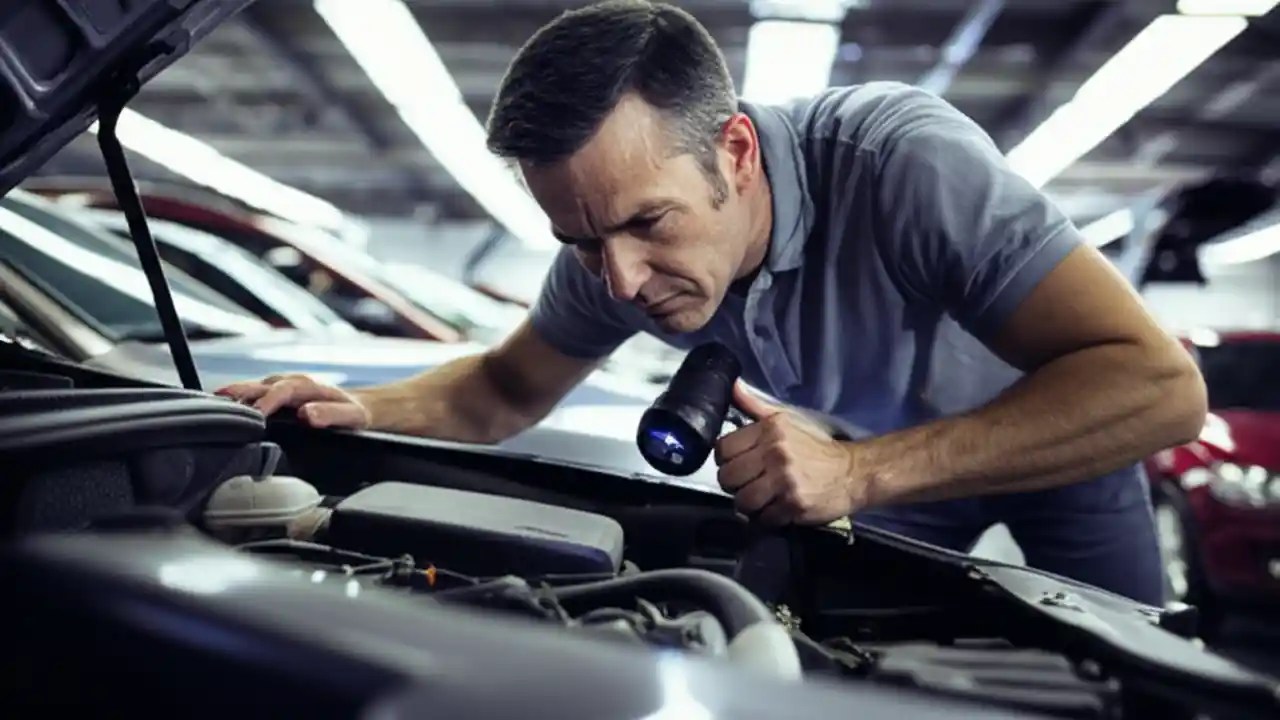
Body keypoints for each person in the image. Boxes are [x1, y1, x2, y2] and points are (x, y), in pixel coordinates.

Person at [216, 0, 1206, 605]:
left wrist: (857, 473)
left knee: (1130, 675)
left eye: (650, 223)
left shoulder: (901, 162)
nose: (619, 283)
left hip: (1052, 443)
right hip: (886, 470)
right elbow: (501, 391)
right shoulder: (609, 240)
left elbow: (1159, 390)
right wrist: (355, 406)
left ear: (732, 151)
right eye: (578, 241)